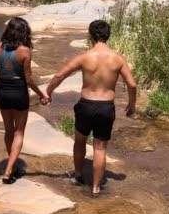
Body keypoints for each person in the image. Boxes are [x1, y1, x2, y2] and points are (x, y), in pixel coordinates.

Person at [43, 19, 137, 197]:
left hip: (86, 105)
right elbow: (132, 84)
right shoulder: (117, 58)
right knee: (100, 148)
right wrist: (132, 104)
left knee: (80, 141)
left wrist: (48, 92)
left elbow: (60, 75)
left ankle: (78, 175)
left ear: (90, 35)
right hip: (106, 107)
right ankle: (95, 188)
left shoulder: (84, 57)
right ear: (108, 35)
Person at [0, 17, 49, 185]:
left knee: (9, 131)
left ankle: (12, 164)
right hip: (19, 91)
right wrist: (41, 94)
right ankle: (9, 170)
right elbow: (29, 80)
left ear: (8, 30)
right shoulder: (25, 51)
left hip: (3, 91)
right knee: (19, 133)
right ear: (24, 32)